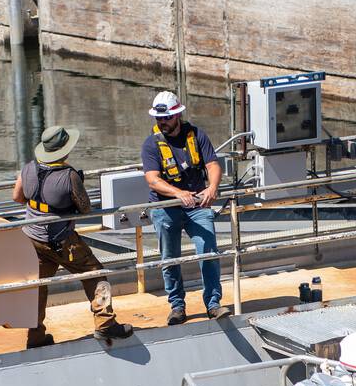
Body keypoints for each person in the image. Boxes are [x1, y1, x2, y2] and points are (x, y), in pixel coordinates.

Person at [12, 124, 132, 346]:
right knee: (95, 275)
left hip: (31, 240)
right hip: (62, 241)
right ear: (64, 151)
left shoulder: (28, 168)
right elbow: (84, 208)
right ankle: (106, 324)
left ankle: (35, 336)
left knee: (37, 288)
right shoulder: (69, 176)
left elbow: (17, 196)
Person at [140, 91, 228, 326]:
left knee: (208, 250)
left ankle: (213, 304)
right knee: (170, 258)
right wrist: (178, 193)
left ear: (177, 114)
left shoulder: (197, 135)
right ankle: (177, 306)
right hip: (166, 207)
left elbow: (212, 164)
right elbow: (152, 179)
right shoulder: (151, 144)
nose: (162, 122)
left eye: (167, 118)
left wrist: (212, 188)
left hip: (198, 204)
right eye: (159, 119)